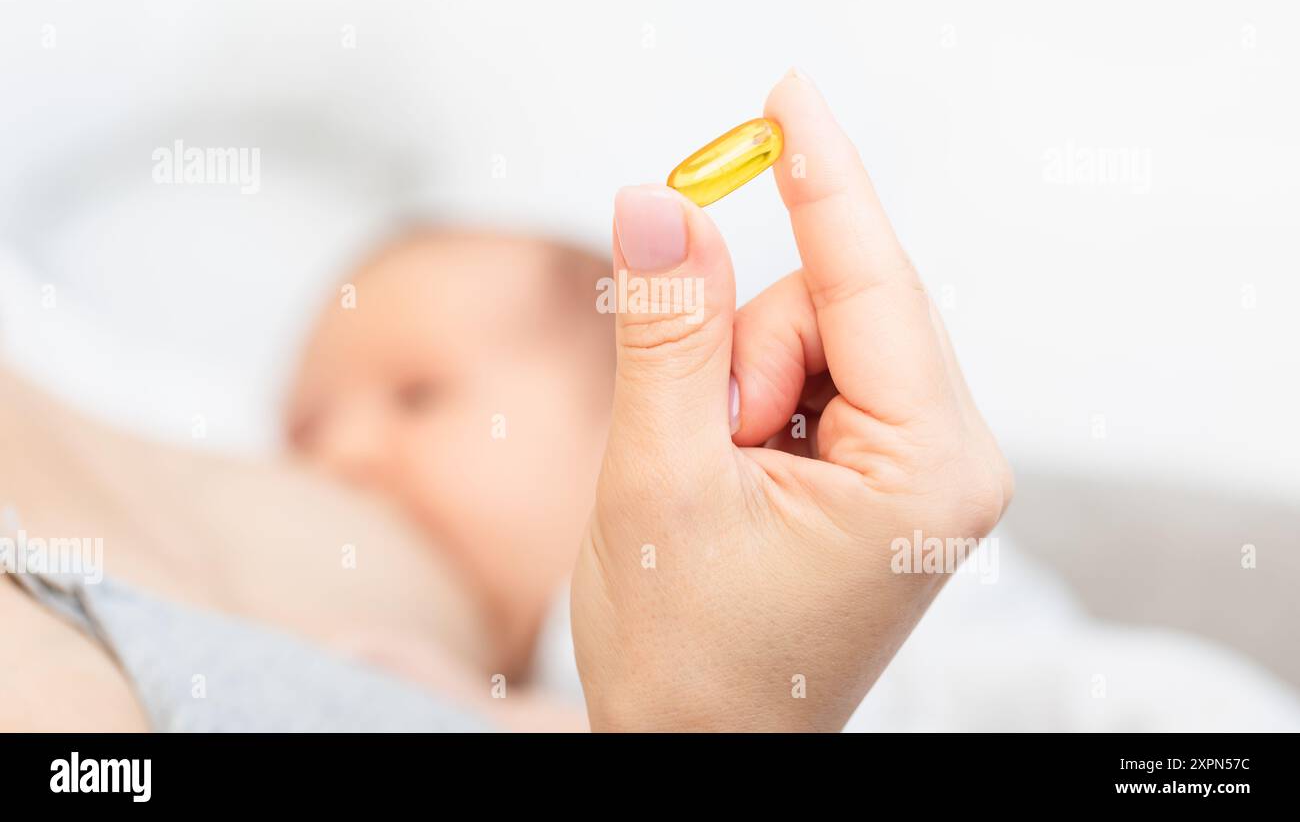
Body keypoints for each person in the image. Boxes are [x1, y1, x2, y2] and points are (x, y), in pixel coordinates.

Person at [0, 70, 1011, 731]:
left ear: (643, 415)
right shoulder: (491, 659)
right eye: (305, 428)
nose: (343, 452)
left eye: (418, 396)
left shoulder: (850, 581)